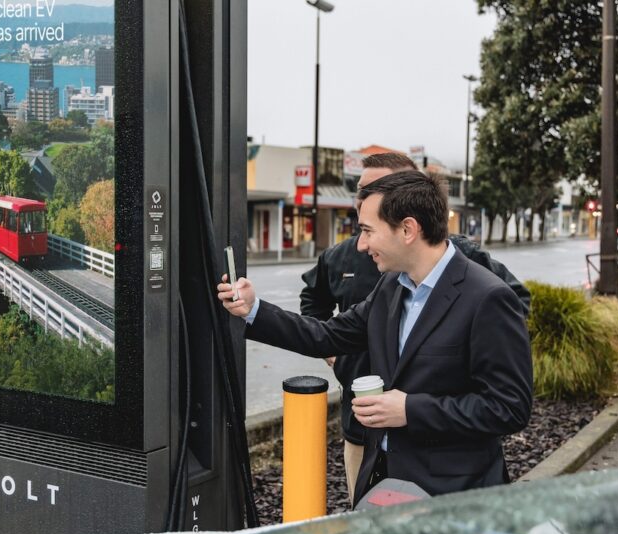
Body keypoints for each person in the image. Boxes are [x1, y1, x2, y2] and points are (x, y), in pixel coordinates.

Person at [218, 170, 532, 504]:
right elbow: (326, 335)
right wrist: (254, 310)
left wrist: (410, 409)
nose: (362, 244)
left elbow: (509, 407)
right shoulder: (390, 287)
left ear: (408, 229)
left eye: (368, 231)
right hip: (382, 481)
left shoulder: (488, 297)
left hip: (454, 500)